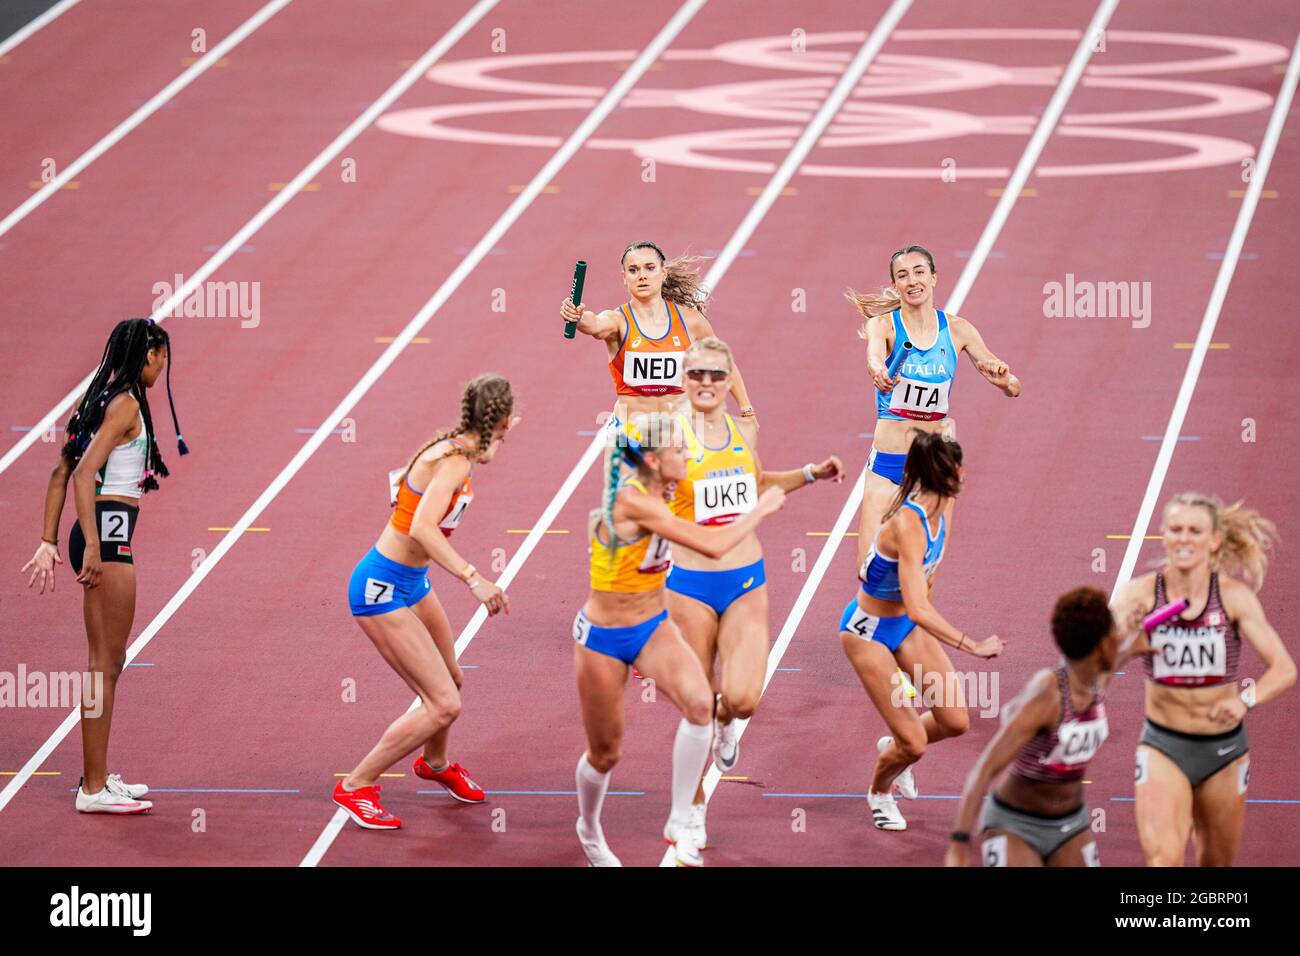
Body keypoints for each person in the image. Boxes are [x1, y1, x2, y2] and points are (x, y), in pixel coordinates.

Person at [573, 413, 785, 866]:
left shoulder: (662, 491)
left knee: (700, 706)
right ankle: (589, 829)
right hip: (604, 638)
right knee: (606, 752)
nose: (688, 454)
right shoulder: (636, 502)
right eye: (678, 450)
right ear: (653, 459)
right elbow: (711, 545)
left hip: (652, 629)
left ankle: (680, 818)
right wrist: (763, 508)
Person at [665, 335, 843, 847]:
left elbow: (758, 479)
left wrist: (810, 474)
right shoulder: (667, 434)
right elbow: (640, 505)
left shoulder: (744, 429)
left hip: (745, 580)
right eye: (695, 373)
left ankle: (727, 721)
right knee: (694, 705)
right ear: (685, 377)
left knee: (741, 699)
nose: (704, 383)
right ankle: (693, 807)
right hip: (689, 584)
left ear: (727, 380)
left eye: (714, 375)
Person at [333, 374, 516, 830]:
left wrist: (498, 436)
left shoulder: (449, 448)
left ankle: (434, 763)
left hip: (410, 582)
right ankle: (356, 785)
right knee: (443, 704)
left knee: (452, 679)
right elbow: (421, 529)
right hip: (381, 588)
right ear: (503, 419)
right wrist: (474, 579)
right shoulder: (453, 462)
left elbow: (471, 462)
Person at [22, 318, 187, 813]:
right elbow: (85, 475)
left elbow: (60, 469)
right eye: (162, 357)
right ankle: (92, 789)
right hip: (108, 536)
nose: (164, 366)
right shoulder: (126, 405)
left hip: (100, 533)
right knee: (103, 668)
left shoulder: (100, 401)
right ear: (149, 356)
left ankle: (96, 778)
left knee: (106, 665)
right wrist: (92, 546)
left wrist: (50, 540)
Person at [1111, 492, 1295, 866]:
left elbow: (1284, 668)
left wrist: (1245, 700)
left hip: (1223, 751)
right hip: (1163, 746)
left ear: (1214, 540)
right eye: (1175, 529)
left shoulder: (1233, 598)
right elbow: (1094, 668)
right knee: (1163, 860)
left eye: (1194, 531)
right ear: (1163, 535)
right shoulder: (1139, 596)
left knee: (1216, 861)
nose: (1183, 538)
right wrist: (1127, 646)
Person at [838, 431, 1003, 831]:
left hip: (904, 626)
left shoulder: (945, 505)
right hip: (868, 631)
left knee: (954, 721)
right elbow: (918, 605)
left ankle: (894, 746)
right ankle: (880, 789)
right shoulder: (907, 525)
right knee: (914, 742)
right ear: (956, 473)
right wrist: (972, 645)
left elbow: (931, 574)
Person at [945, 587, 1149, 866]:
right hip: (1015, 824)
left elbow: (1128, 648)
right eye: (1114, 632)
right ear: (1101, 645)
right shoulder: (1048, 695)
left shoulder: (1094, 676)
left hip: (1070, 824)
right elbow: (985, 769)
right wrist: (959, 841)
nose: (1119, 636)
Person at [848, 244, 1020, 568]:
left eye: (919, 272)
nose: (912, 280)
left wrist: (1004, 379)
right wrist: (877, 370)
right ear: (895, 284)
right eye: (902, 275)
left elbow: (1014, 386)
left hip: (931, 470)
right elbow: (873, 357)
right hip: (888, 465)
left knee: (921, 574)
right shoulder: (883, 326)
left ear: (934, 278)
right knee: (867, 568)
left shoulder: (959, 330)